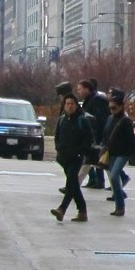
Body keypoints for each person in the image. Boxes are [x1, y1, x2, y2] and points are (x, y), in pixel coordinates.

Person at [50, 92, 94, 224]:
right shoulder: (62, 119)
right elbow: (57, 137)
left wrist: (81, 151)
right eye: (67, 104)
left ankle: (62, 209)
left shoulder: (82, 120)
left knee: (71, 183)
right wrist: (59, 149)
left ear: (76, 105)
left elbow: (89, 139)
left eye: (72, 104)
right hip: (64, 158)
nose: (69, 106)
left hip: (76, 157)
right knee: (73, 184)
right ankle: (82, 211)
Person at [103, 94, 135, 217]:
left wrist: (132, 154)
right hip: (111, 152)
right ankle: (118, 201)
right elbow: (105, 135)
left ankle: (120, 205)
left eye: (114, 107)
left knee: (113, 176)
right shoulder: (110, 119)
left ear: (121, 106)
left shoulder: (126, 121)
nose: (112, 110)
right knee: (114, 179)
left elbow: (131, 139)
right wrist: (103, 147)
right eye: (110, 108)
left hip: (123, 153)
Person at [79, 78, 109, 189]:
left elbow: (100, 119)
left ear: (87, 89)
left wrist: (97, 136)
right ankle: (98, 181)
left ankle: (72, 187)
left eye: (80, 89)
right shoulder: (91, 99)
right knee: (95, 161)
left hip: (97, 136)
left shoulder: (96, 100)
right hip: (93, 135)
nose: (78, 92)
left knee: (91, 161)